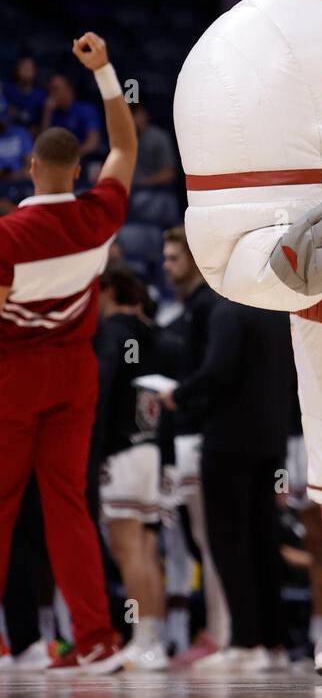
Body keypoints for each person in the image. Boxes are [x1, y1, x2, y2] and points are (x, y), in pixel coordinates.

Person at [0, 32, 137, 671]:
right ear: (76, 171)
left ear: (31, 168)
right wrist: (105, 72)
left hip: (16, 374)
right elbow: (126, 145)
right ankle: (97, 640)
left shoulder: (9, 236)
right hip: (77, 373)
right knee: (69, 507)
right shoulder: (99, 216)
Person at [160, 301, 294, 672]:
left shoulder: (227, 311)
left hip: (229, 439)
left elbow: (218, 370)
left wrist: (180, 395)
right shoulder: (277, 312)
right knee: (263, 540)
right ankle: (274, 643)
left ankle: (245, 642)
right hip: (271, 439)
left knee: (229, 541)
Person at [95, 269, 177, 671]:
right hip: (152, 447)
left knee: (127, 550)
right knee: (146, 549)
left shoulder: (112, 332)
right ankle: (154, 640)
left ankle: (142, 639)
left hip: (122, 451)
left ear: (107, 292)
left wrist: (95, 449)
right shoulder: (157, 333)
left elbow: (104, 390)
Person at [160, 227, 230, 662]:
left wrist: (180, 396)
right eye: (164, 259)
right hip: (192, 436)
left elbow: (213, 375)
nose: (166, 267)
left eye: (173, 258)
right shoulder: (189, 310)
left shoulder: (209, 309)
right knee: (204, 540)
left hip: (205, 436)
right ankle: (218, 630)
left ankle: (222, 633)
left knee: (214, 540)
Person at [42, 73, 103, 159]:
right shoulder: (54, 114)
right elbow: (44, 144)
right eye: (50, 90)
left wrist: (69, 157)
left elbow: (93, 143)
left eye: (55, 89)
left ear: (68, 90)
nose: (51, 94)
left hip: (87, 159)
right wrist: (47, 113)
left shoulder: (86, 110)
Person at [131, 105, 177, 189]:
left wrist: (144, 182)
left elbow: (169, 173)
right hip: (132, 191)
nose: (134, 119)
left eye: (137, 115)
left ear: (145, 115)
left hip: (157, 191)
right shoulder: (124, 139)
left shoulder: (159, 138)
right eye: (131, 115)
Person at [4, 57, 46, 131]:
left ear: (35, 71)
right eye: (24, 67)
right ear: (17, 70)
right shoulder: (7, 90)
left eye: (29, 68)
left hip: (32, 133)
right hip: (9, 132)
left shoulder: (41, 94)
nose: (27, 70)